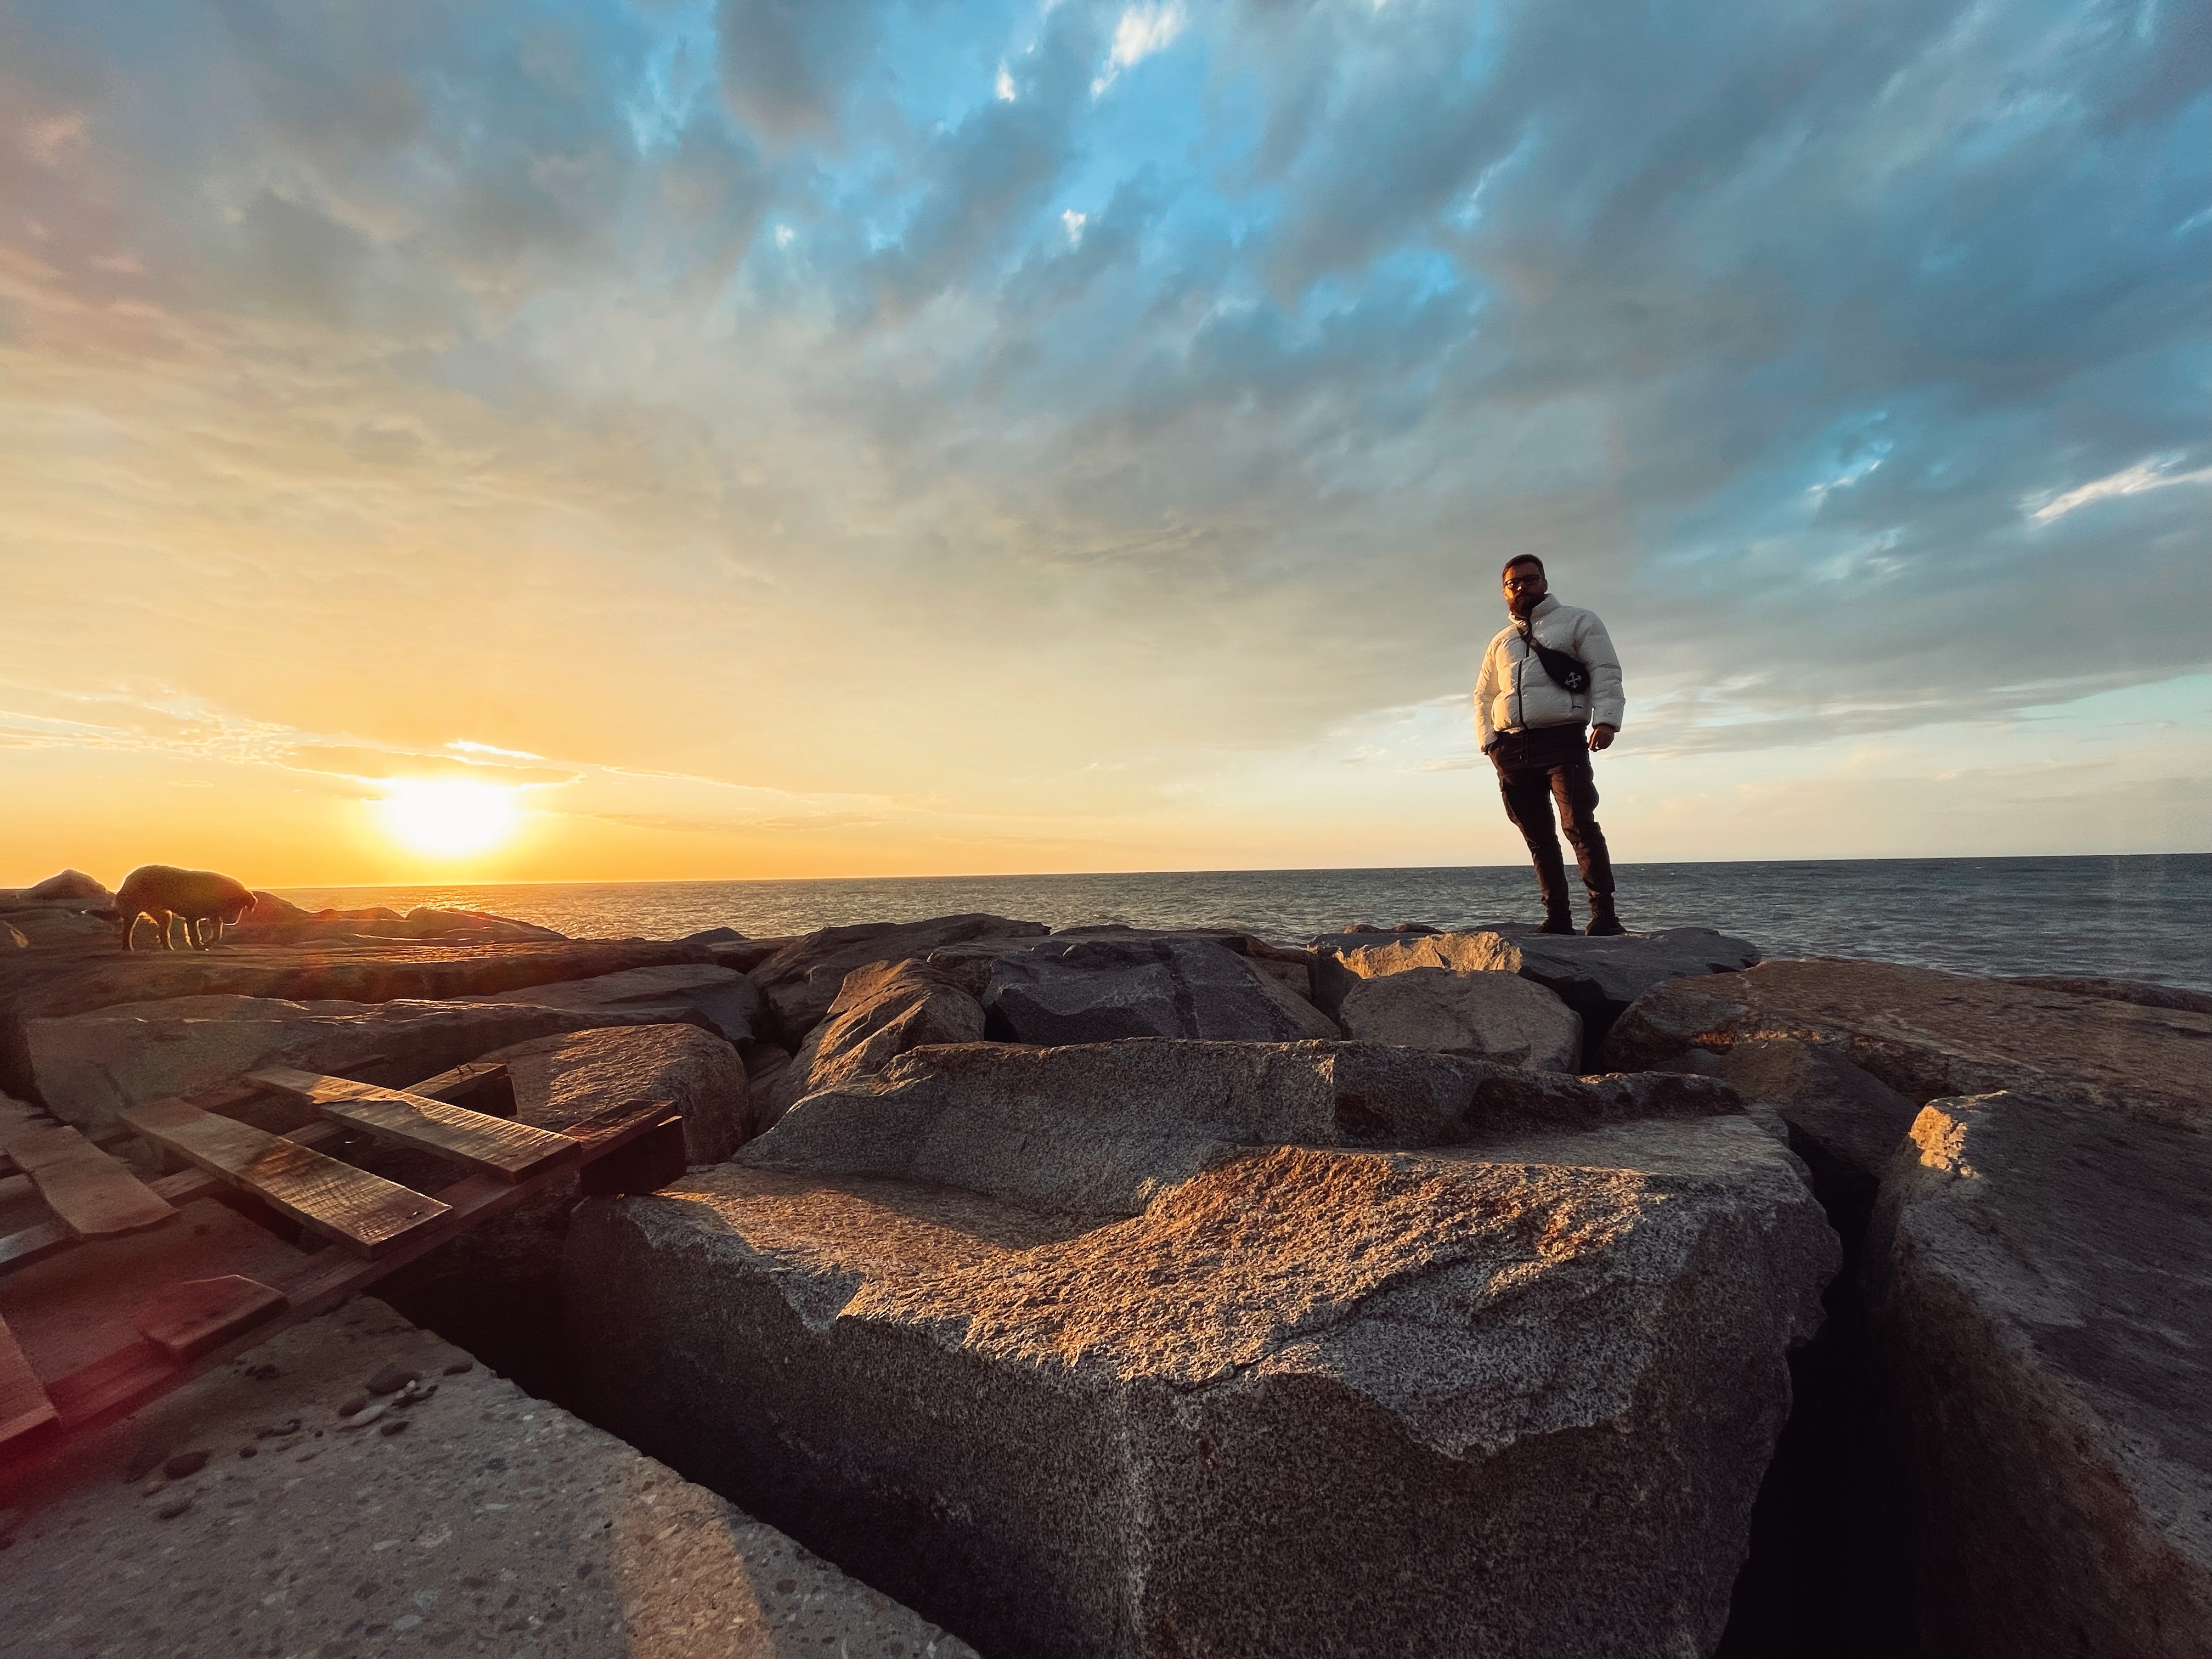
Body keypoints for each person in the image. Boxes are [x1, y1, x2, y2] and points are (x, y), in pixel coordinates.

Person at [1473, 555, 1627, 936]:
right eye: (1513, 583)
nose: (1521, 588)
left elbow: (1604, 670)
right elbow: (1484, 694)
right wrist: (1490, 743)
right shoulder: (1501, 641)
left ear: (1544, 581)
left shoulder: (1579, 620)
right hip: (1511, 748)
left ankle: (1604, 915)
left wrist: (1606, 720)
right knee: (1537, 837)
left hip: (1563, 741)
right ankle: (1557, 916)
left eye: (1529, 580)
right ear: (1504, 590)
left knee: (1579, 825)